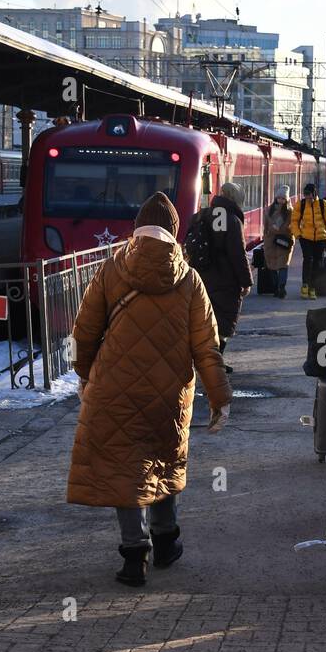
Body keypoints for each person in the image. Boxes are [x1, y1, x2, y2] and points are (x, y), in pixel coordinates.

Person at [67, 193, 232, 587]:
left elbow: (83, 332)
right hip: (170, 392)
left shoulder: (110, 269)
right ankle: (166, 539)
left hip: (114, 389)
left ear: (136, 230)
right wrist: (220, 398)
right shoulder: (190, 280)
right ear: (174, 234)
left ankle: (133, 554)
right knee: (163, 460)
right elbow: (206, 347)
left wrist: (85, 374)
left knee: (126, 468)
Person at [193, 181, 251, 372]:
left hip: (202, 275)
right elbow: (238, 254)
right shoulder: (233, 220)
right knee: (223, 321)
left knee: (204, 319)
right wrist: (246, 281)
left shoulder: (203, 215)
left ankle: (205, 360)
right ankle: (214, 363)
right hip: (225, 279)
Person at [295, 182, 326, 300]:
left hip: (320, 238)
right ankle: (305, 285)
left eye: (309, 195)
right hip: (305, 238)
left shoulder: (323, 204)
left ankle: (313, 287)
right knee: (308, 260)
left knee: (318, 262)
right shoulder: (301, 205)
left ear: (314, 193)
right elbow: (294, 221)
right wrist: (298, 234)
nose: (308, 197)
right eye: (306, 195)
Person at [263, 185, 294, 299]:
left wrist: (276, 229)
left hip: (283, 242)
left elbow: (289, 226)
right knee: (272, 266)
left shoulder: (290, 212)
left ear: (287, 199)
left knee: (282, 266)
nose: (281, 200)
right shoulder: (269, 210)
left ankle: (281, 288)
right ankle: (276, 287)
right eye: (279, 198)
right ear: (276, 198)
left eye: (283, 198)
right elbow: (265, 226)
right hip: (271, 242)